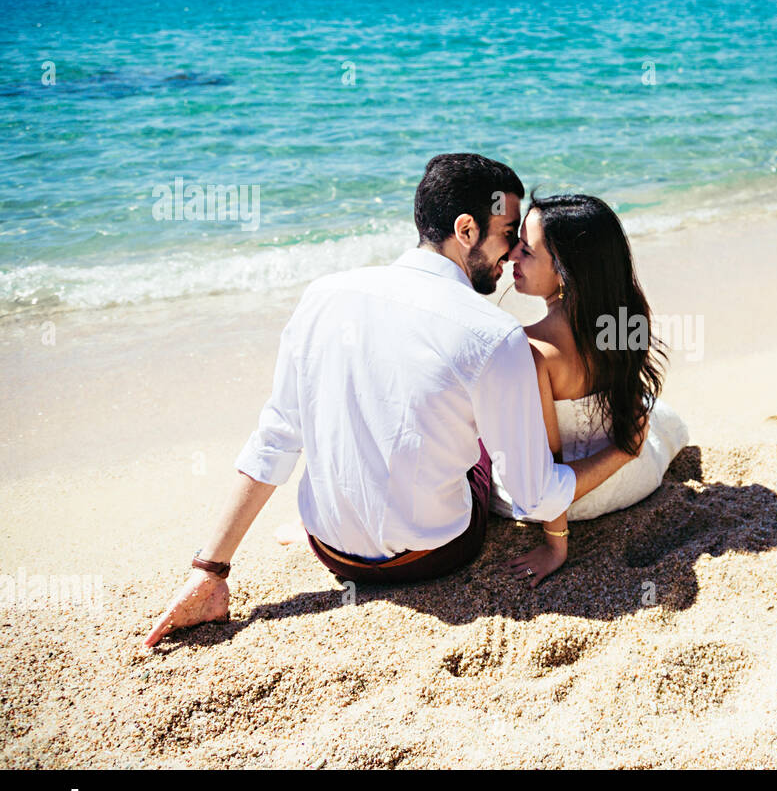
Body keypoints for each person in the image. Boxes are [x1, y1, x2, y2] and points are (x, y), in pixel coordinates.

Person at [144, 154, 642, 648]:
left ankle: (340, 502)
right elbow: (536, 496)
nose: (512, 251)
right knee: (479, 421)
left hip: (331, 550)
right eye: (509, 233)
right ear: (466, 230)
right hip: (433, 553)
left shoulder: (323, 294)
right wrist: (622, 449)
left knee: (366, 391)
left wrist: (210, 569)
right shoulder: (494, 334)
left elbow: (275, 438)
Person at [498, 193, 689, 588]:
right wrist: (625, 449)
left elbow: (546, 468)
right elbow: (631, 416)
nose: (511, 254)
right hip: (632, 479)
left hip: (568, 499)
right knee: (658, 414)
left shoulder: (532, 352)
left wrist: (556, 547)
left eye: (526, 250)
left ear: (564, 271)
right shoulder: (621, 318)